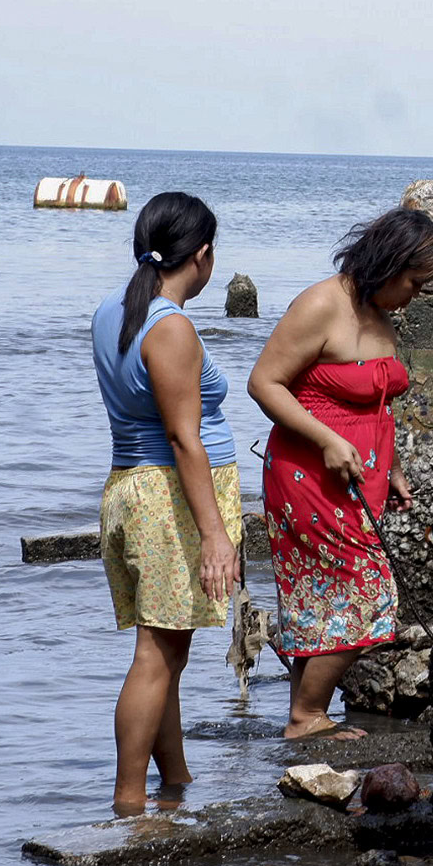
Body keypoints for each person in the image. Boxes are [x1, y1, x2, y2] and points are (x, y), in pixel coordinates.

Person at [248, 208, 433, 740]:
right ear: (388, 263)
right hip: (307, 472)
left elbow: (378, 405)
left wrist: (396, 466)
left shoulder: (381, 314)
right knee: (370, 590)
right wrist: (329, 440)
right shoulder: (319, 304)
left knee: (323, 595)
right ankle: (307, 715)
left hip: (364, 479)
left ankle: (303, 715)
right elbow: (264, 383)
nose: (417, 295)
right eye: (414, 282)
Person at [91, 192, 241, 815]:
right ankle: (129, 802)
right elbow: (184, 439)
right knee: (156, 655)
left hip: (128, 488)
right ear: (201, 255)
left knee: (167, 649)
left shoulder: (111, 312)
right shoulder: (171, 327)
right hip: (166, 499)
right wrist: (214, 534)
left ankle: (174, 782)